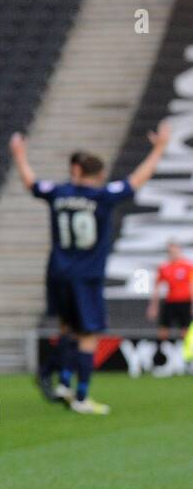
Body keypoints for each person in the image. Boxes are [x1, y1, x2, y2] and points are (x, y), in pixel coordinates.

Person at [10, 122, 171, 414]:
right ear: (97, 175)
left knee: (69, 329)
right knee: (89, 335)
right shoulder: (101, 196)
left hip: (57, 272)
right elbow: (138, 179)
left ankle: (62, 380)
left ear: (76, 172)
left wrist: (19, 154)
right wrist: (159, 147)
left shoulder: (58, 192)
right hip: (86, 276)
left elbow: (31, 183)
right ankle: (78, 394)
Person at [146, 241, 192, 347]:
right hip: (171, 302)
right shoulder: (164, 267)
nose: (173, 254)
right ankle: (160, 353)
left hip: (185, 302)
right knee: (163, 329)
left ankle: (186, 357)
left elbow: (191, 286)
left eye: (175, 251)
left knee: (186, 330)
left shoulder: (188, 266)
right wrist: (153, 306)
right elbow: (157, 288)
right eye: (170, 252)